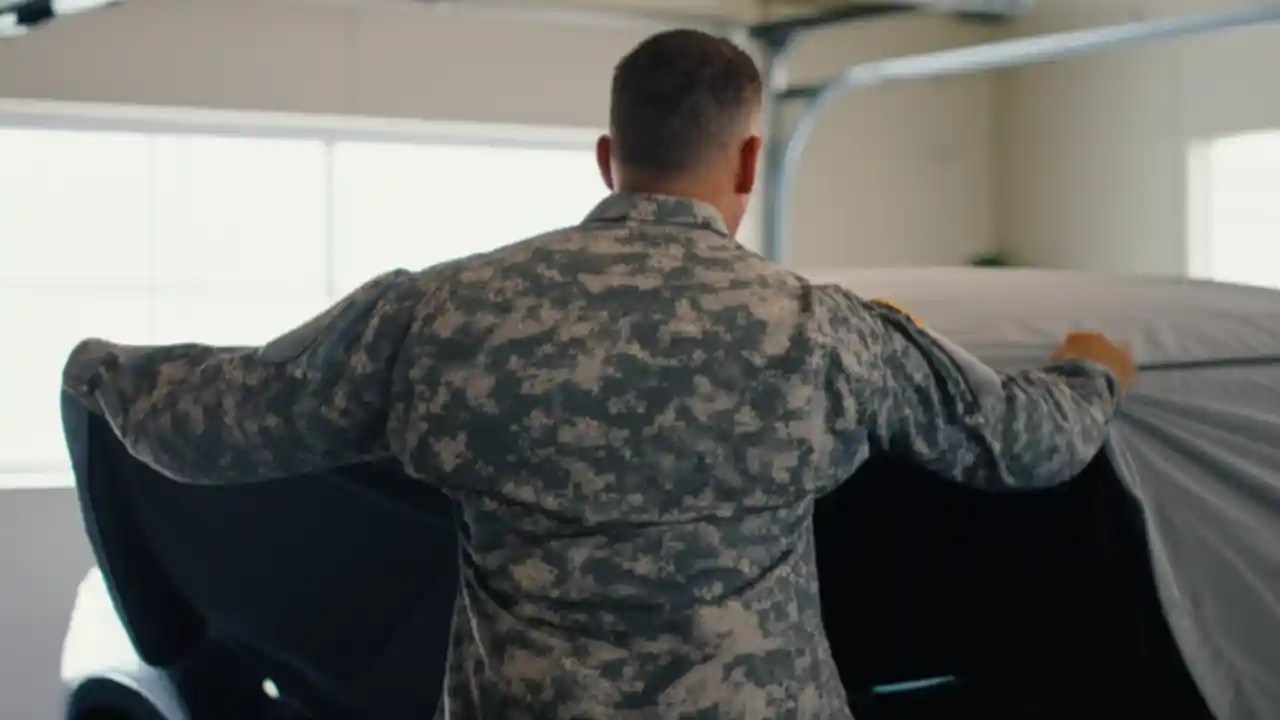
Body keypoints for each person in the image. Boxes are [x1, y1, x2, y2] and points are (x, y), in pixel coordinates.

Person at [63, 29, 1136, 720]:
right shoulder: (827, 335)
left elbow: (208, 430)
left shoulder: (441, 312)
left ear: (606, 157)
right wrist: (1087, 372)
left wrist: (96, 372)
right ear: (748, 164)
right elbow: (1024, 449)